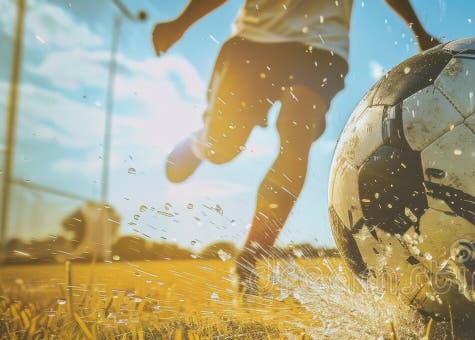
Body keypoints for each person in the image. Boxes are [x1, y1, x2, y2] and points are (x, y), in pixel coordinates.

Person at [152, 0, 439, 294]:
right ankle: (203, 144)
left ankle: (250, 257)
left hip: (321, 46)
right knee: (222, 148)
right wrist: (182, 22)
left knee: (295, 137)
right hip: (254, 40)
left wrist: (419, 31)